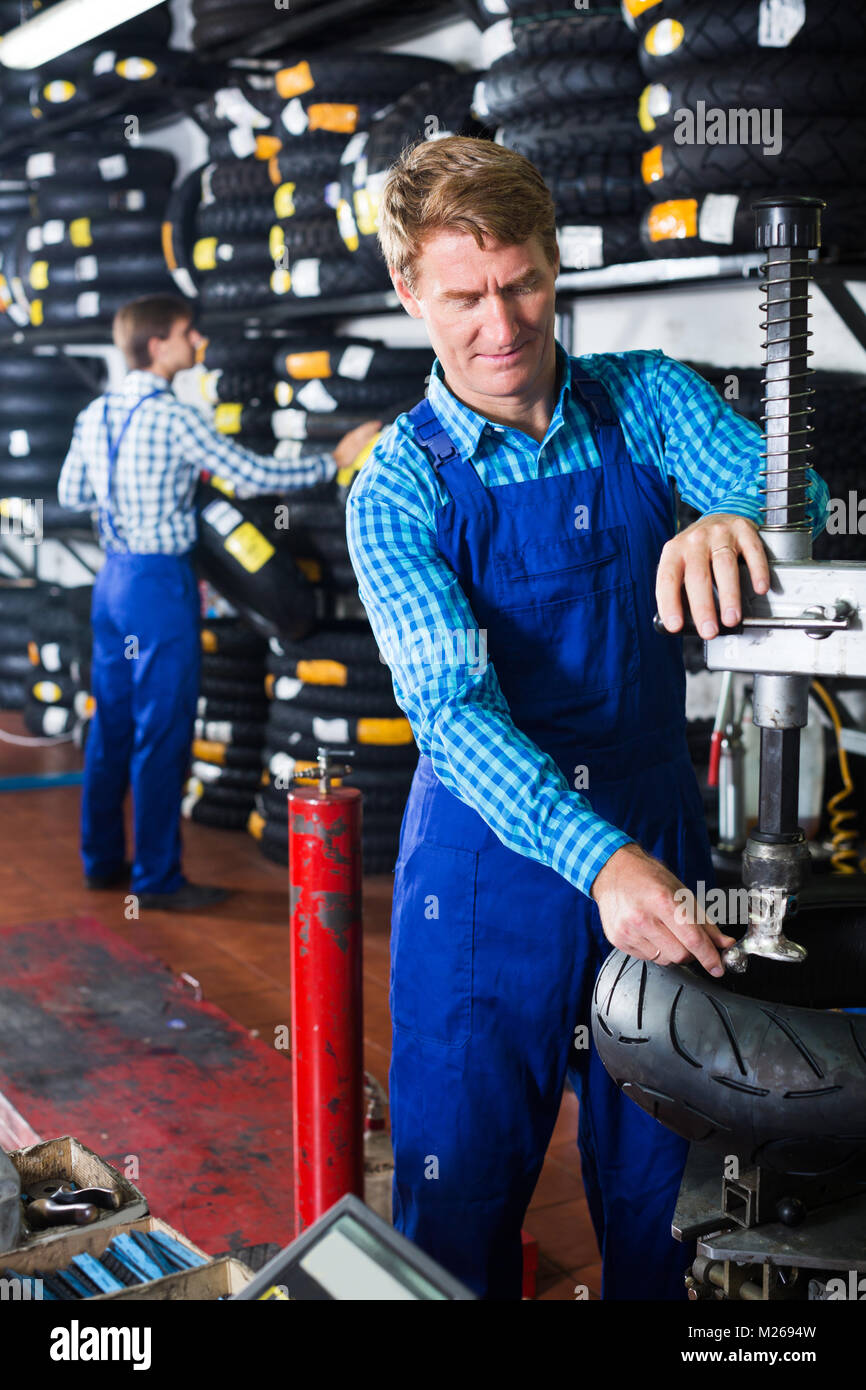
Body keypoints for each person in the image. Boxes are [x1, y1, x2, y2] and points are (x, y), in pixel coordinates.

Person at [344, 137, 831, 1300]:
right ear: (410, 292)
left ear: (554, 264)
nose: (499, 325)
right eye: (462, 297)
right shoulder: (399, 488)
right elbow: (452, 718)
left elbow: (800, 498)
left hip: (656, 827)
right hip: (482, 882)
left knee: (666, 1197)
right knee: (455, 1199)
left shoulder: (647, 401)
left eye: (518, 282)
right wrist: (600, 860)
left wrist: (733, 522)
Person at [58, 294, 379, 913]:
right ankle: (155, 880)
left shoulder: (94, 414)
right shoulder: (177, 418)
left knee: (112, 725)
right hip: (157, 587)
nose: (198, 341)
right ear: (156, 345)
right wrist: (332, 459)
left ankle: (100, 863)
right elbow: (253, 475)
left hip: (112, 583)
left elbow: (73, 491)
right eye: (186, 333)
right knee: (164, 732)